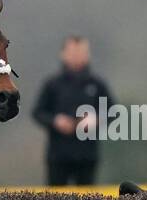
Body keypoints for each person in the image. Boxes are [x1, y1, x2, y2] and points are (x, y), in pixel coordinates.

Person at [32, 36, 114, 186]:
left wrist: (95, 119)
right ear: (63, 54)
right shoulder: (52, 84)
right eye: (72, 52)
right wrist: (55, 121)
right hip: (58, 155)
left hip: (87, 155)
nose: (77, 56)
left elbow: (113, 111)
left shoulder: (97, 84)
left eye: (81, 52)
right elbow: (38, 112)